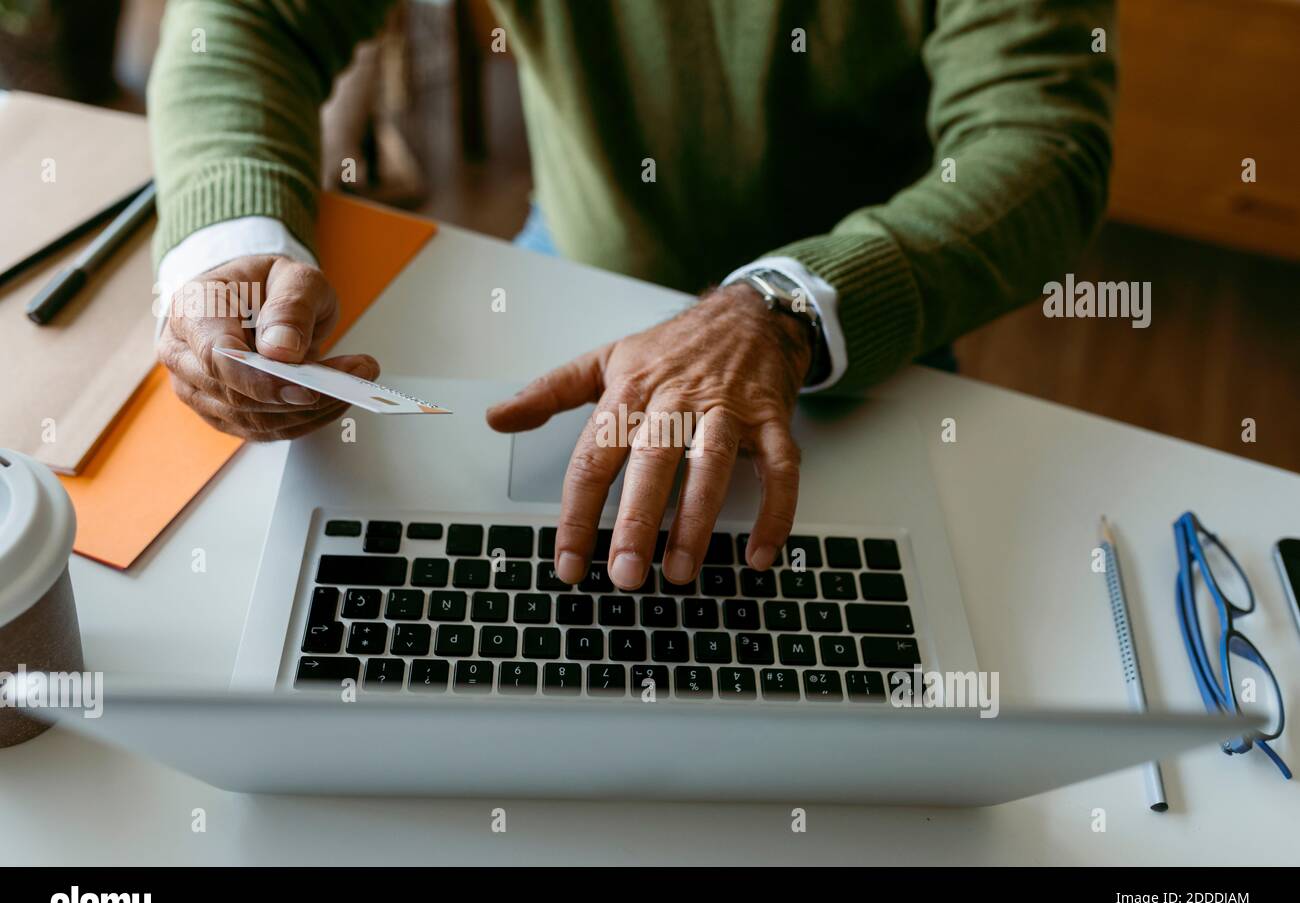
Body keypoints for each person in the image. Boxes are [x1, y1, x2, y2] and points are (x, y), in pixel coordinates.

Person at [148, 0, 1114, 590]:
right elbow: (246, 14)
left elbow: (1040, 142)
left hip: (847, 318)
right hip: (571, 262)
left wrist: (778, 309)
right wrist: (227, 243)